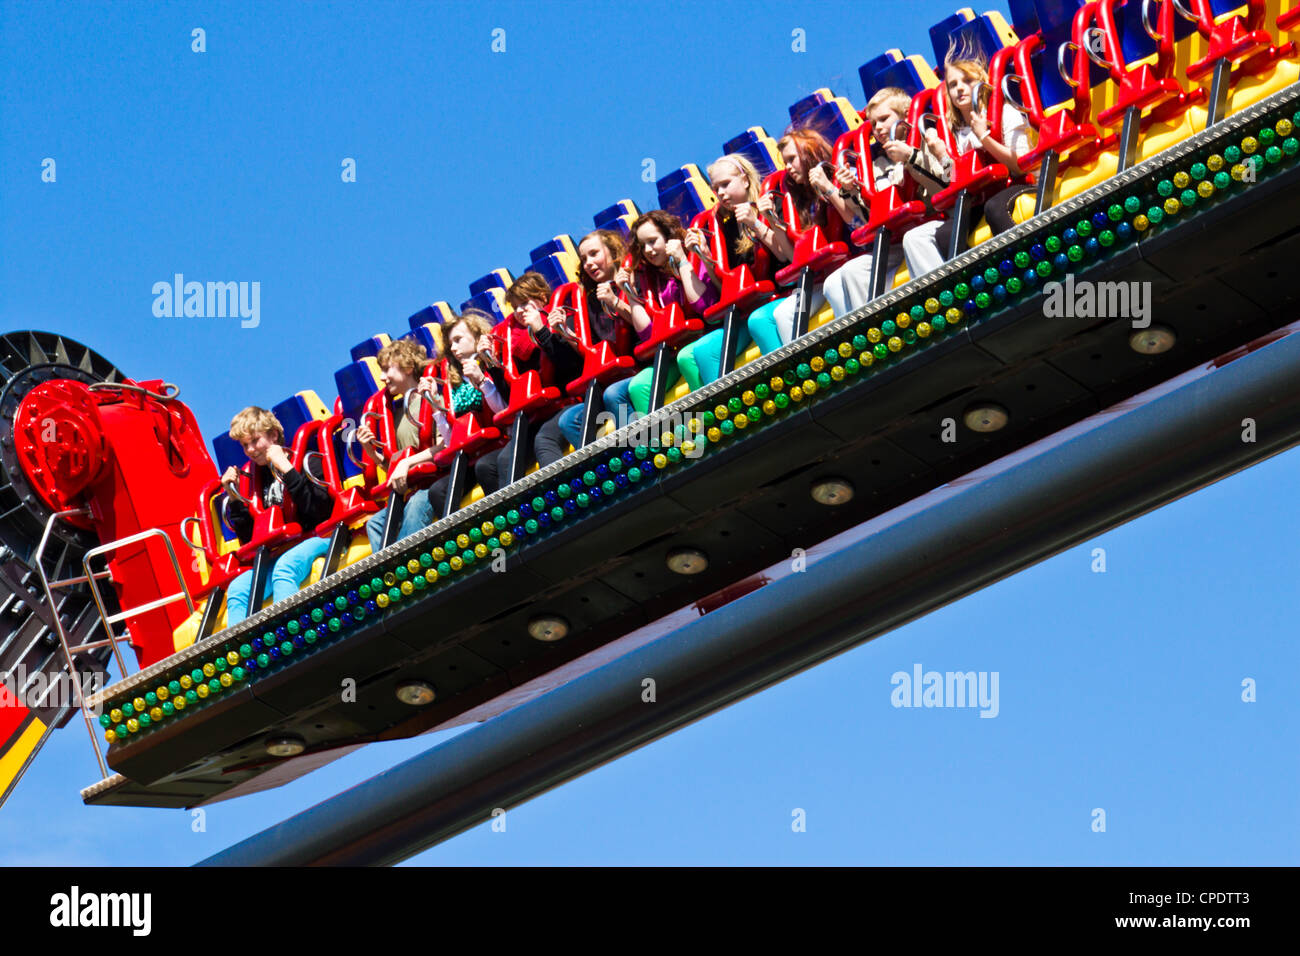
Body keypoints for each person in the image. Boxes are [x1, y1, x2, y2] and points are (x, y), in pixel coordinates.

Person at [901, 46, 1035, 279]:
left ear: (982, 84)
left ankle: (1024, 268)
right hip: (980, 198)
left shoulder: (1004, 113)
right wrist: (941, 154)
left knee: (995, 208)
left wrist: (985, 137)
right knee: (945, 234)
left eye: (967, 81)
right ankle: (979, 283)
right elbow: (953, 181)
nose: (960, 88)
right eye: (953, 85)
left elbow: (1021, 165)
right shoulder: (956, 135)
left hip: (1019, 183)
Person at [818, 86, 949, 317]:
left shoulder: (926, 139)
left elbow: (945, 184)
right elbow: (869, 219)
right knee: (852, 271)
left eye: (884, 119)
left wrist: (910, 157)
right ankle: (880, 328)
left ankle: (941, 310)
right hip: (893, 240)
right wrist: (852, 191)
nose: (877, 128)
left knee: (914, 239)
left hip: (935, 220)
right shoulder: (875, 166)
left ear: (906, 115)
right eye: (873, 123)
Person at [671, 154, 788, 391]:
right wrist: (706, 257)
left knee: (759, 321)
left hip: (781, 295)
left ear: (744, 179)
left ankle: (784, 384)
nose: (721, 193)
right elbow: (726, 286)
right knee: (702, 350)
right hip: (744, 311)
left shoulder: (769, 203)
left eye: (726, 184)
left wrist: (756, 223)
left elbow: (785, 254)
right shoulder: (724, 227)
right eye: (716, 188)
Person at [746, 127, 861, 356]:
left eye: (792, 159)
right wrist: (771, 219)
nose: (788, 167)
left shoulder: (839, 173)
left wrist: (828, 188)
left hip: (851, 258)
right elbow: (792, 256)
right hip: (818, 275)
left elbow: (856, 222)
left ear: (809, 153)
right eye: (785, 162)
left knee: (835, 283)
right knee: (783, 314)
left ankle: (855, 348)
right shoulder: (797, 200)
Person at [221, 406, 334, 624]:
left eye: (255, 440)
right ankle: (242, 645)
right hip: (280, 552)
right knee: (237, 589)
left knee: (285, 568)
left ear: (273, 435)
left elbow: (320, 511)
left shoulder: (306, 459)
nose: (251, 450)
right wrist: (233, 497)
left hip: (320, 537)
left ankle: (289, 633)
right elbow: (250, 539)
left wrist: (287, 470)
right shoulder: (254, 481)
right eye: (244, 445)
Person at [602, 210, 718, 417]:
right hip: (671, 352)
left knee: (687, 357)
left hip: (706, 335)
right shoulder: (649, 278)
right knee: (638, 386)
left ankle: (710, 417)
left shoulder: (691, 255)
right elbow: (648, 333)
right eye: (642, 245)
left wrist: (681, 261)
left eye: (652, 241)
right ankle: (663, 435)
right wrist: (629, 293)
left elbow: (703, 305)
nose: (648, 250)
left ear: (668, 237)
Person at [416, 309, 509, 516]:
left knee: (485, 467)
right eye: (451, 344)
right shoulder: (453, 382)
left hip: (501, 441)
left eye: (458, 340)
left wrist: (481, 381)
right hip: (470, 455)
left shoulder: (492, 360)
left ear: (476, 336)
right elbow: (451, 440)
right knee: (438, 491)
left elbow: (504, 410)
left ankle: (505, 519)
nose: (453, 348)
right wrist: (435, 405)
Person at [359, 337, 440, 554]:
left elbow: (444, 446)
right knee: (375, 524)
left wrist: (407, 463)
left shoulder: (431, 398)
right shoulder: (394, 415)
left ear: (408, 367)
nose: (381, 377)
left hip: (434, 481)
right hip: (409, 488)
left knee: (415, 507)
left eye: (387, 369)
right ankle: (387, 570)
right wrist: (371, 452)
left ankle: (408, 565)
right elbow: (395, 468)